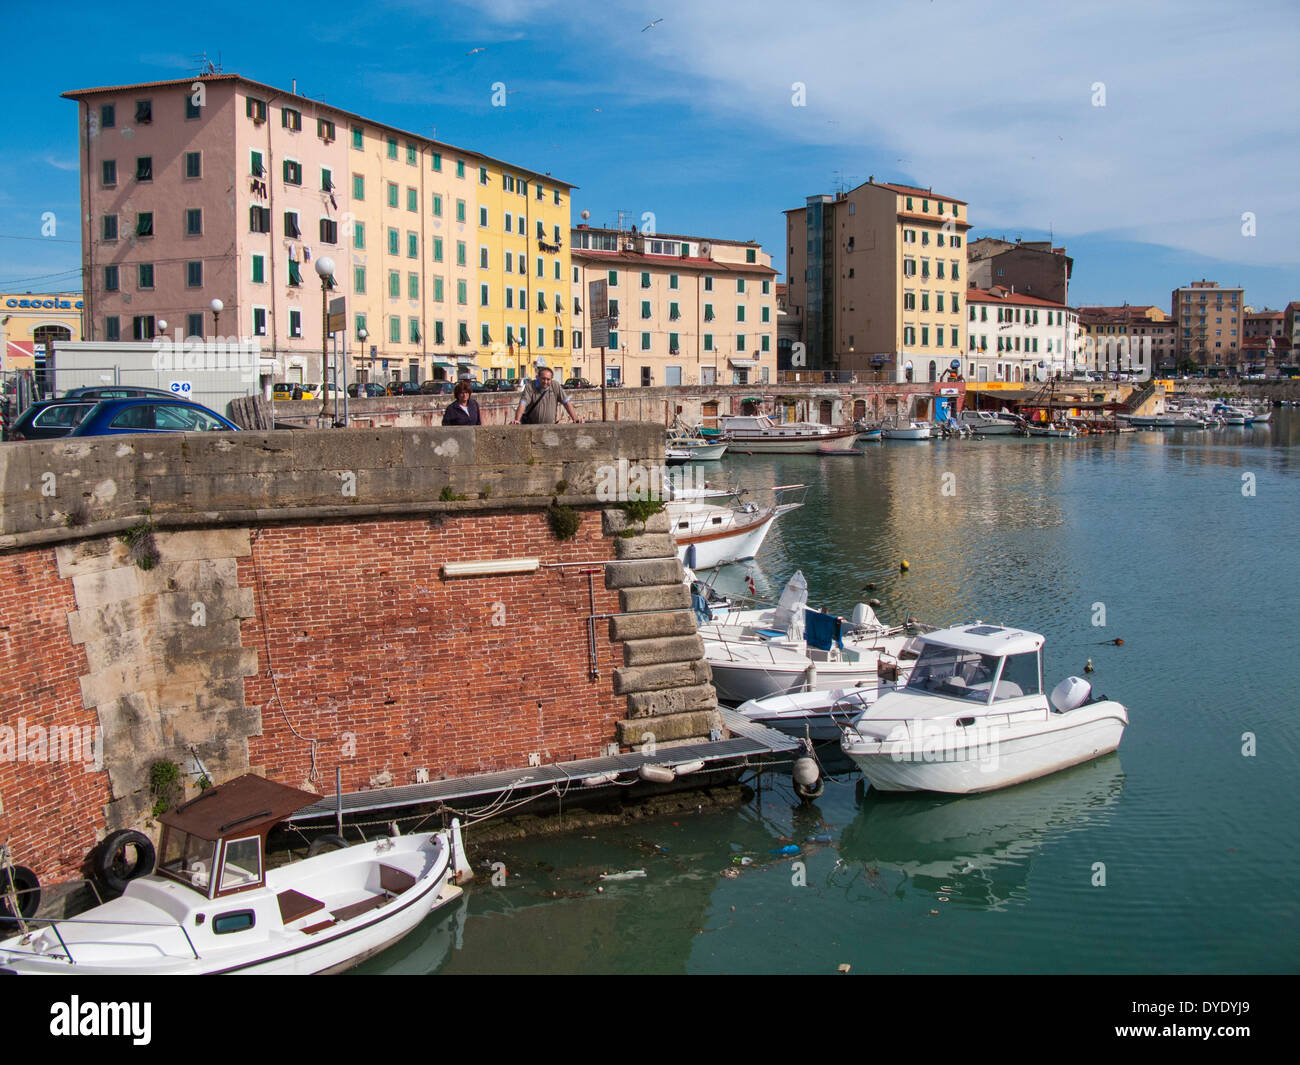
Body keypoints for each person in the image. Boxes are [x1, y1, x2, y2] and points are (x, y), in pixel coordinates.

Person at [513, 366, 582, 424]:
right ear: (538, 377)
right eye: (543, 379)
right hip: (533, 426)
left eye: (548, 379)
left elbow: (566, 403)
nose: (545, 382)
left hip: (550, 427)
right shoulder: (530, 386)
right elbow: (523, 404)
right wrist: (517, 420)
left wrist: (575, 419)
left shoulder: (555, 386)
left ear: (551, 379)